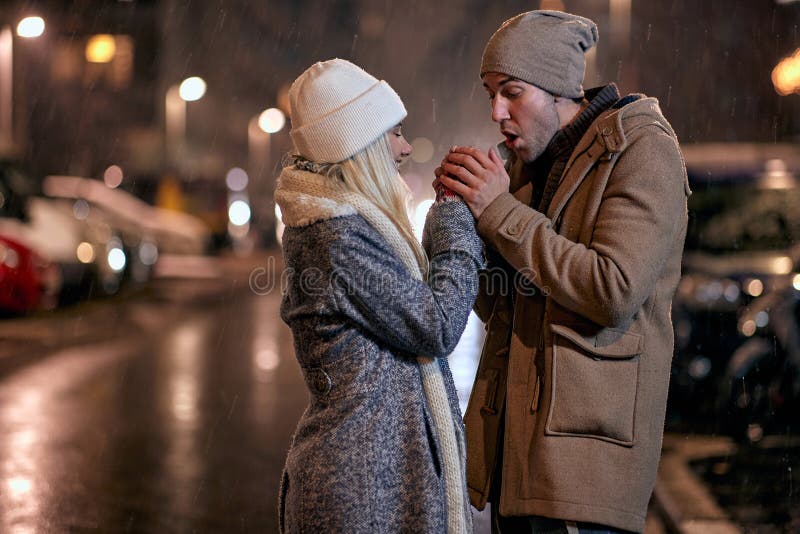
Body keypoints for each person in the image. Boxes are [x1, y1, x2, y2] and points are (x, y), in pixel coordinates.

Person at [435, 10, 691, 534]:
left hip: (583, 476)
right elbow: (502, 305)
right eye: (490, 94)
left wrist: (498, 212)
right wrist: (454, 222)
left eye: (512, 92)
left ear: (558, 92)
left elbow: (612, 289)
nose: (496, 111)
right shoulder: (526, 167)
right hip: (515, 468)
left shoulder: (641, 149)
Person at [275, 58, 482, 533]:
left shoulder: (345, 231)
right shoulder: (336, 239)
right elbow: (435, 324)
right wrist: (453, 218)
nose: (406, 148)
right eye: (395, 133)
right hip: (360, 494)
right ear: (361, 146)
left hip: (367, 485)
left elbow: (411, 304)